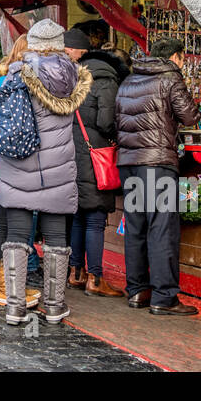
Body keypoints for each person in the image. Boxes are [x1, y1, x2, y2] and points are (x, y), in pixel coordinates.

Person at [0, 19, 91, 325]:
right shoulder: (73, 77)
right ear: (60, 45)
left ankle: (15, 307)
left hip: (18, 165)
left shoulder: (17, 74)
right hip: (58, 170)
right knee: (56, 237)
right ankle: (54, 306)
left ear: (33, 45)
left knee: (17, 236)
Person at [116, 37, 201, 316]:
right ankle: (164, 297)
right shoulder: (170, 78)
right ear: (176, 57)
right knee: (162, 228)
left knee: (136, 227)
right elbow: (189, 116)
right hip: (158, 163)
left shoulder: (130, 79)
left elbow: (115, 119)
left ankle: (138, 290)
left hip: (129, 162)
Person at [63, 26, 125, 298]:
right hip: (96, 155)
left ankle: (76, 272)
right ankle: (96, 278)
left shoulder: (72, 79)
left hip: (71, 155)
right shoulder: (106, 81)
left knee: (77, 217)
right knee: (96, 221)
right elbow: (105, 121)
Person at [0, 35, 41, 312]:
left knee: (3, 227)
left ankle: (3, 287)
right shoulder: (23, 84)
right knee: (15, 229)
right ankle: (9, 290)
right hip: (16, 166)